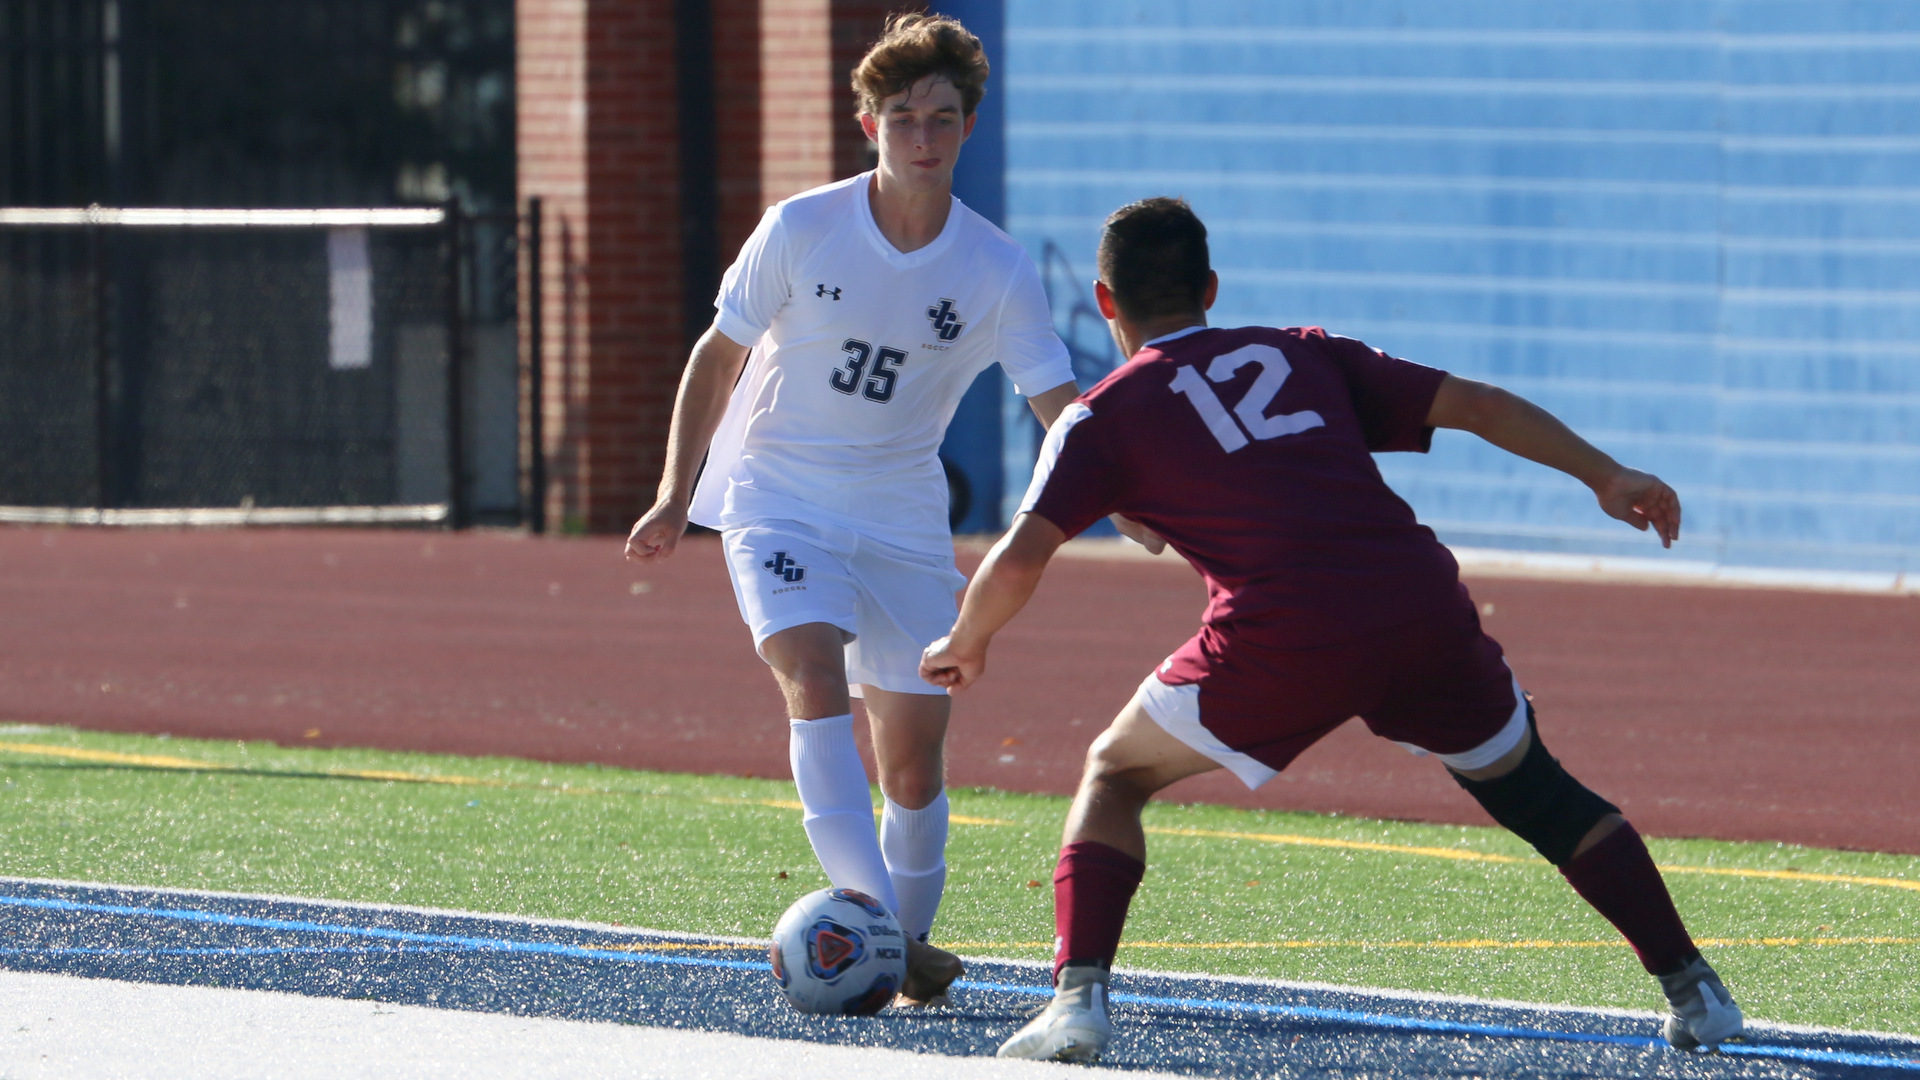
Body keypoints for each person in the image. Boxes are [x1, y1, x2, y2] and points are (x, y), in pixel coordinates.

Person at [920, 197, 1744, 1059]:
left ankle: (1078, 1002)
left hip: (1286, 633)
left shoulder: (1101, 415)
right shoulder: (1300, 352)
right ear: (1209, 287)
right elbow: (1480, 403)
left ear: (1104, 302)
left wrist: (966, 641)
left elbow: (1019, 556)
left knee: (1115, 772)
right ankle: (1696, 988)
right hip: (1418, 600)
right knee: (1535, 788)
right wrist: (1606, 476)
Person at [624, 13, 1129, 1007]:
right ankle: (874, 924)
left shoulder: (995, 269)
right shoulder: (803, 227)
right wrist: (675, 495)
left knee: (914, 756)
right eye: (903, 117)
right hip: (778, 497)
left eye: (942, 118)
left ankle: (902, 944)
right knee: (810, 674)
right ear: (868, 123)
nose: (923, 137)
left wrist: (1130, 492)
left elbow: (1059, 408)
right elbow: (716, 355)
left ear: (968, 127)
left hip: (901, 517)